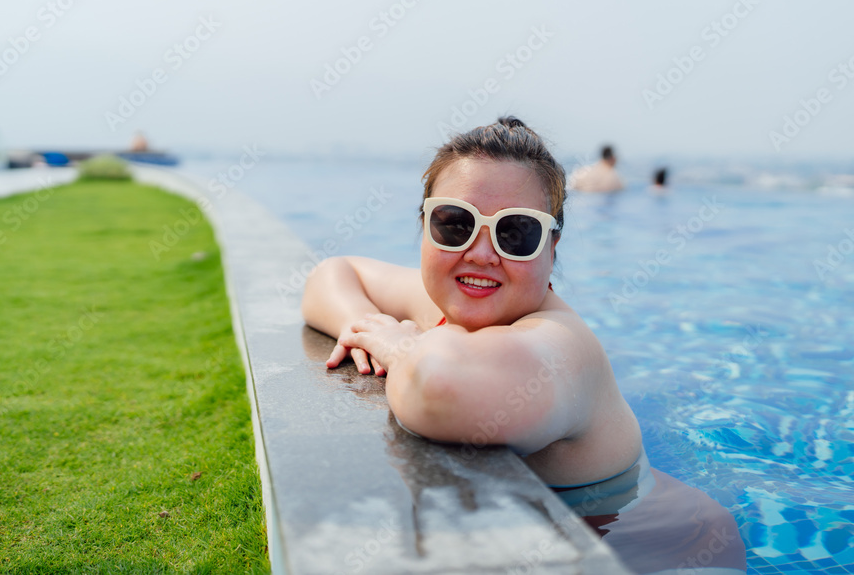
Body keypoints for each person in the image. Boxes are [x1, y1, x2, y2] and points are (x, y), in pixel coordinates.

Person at [301, 118, 745, 574]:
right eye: (455, 224)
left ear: (552, 246)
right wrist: (364, 326)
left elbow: (438, 388)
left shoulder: (562, 345)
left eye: (515, 232)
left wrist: (399, 347)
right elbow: (331, 273)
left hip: (664, 548)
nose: (481, 252)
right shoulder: (446, 298)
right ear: (424, 226)